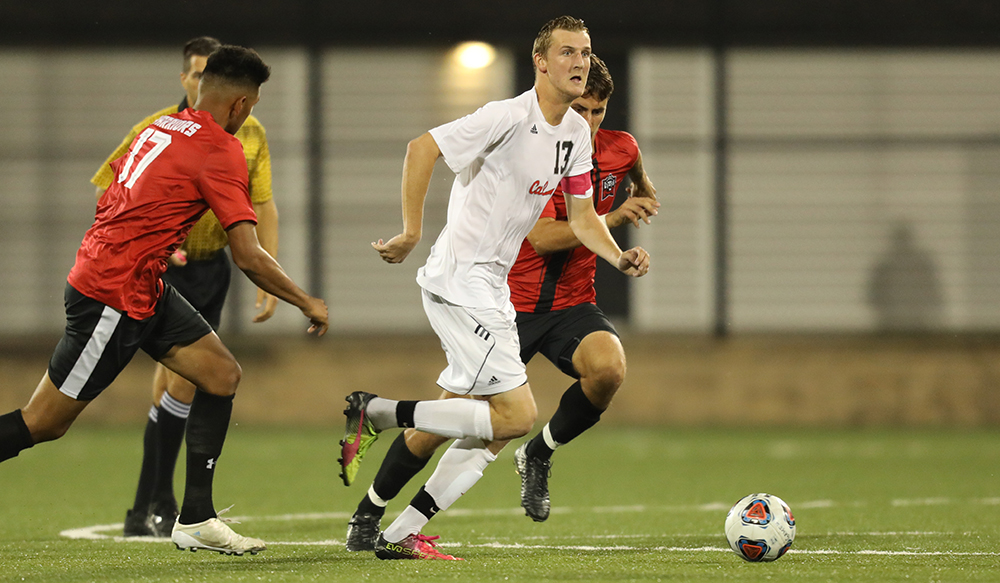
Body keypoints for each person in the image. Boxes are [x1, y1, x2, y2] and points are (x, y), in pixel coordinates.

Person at [339, 16, 652, 561]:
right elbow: (421, 148)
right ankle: (379, 413)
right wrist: (411, 232)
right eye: (567, 52)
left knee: (494, 428)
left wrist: (617, 255)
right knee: (517, 416)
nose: (579, 62)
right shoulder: (506, 117)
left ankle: (398, 529)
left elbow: (583, 217)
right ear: (540, 62)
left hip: (492, 290)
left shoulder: (575, 135)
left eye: (585, 52)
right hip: (461, 281)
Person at [0, 45, 328, 556]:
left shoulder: (159, 127)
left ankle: (196, 518)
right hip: (111, 293)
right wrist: (306, 301)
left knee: (220, 374)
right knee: (44, 422)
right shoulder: (221, 149)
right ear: (241, 104)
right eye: (253, 106)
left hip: (138, 281)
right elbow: (247, 254)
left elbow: (112, 194)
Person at [90, 36, 282, 538]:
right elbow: (112, 185)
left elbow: (263, 202)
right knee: (177, 386)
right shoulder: (156, 127)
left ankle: (150, 508)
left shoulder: (251, 133)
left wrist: (270, 270)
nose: (201, 82)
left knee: (182, 387)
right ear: (187, 79)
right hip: (162, 267)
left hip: (211, 268)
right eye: (195, 74)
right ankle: (160, 503)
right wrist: (157, 241)